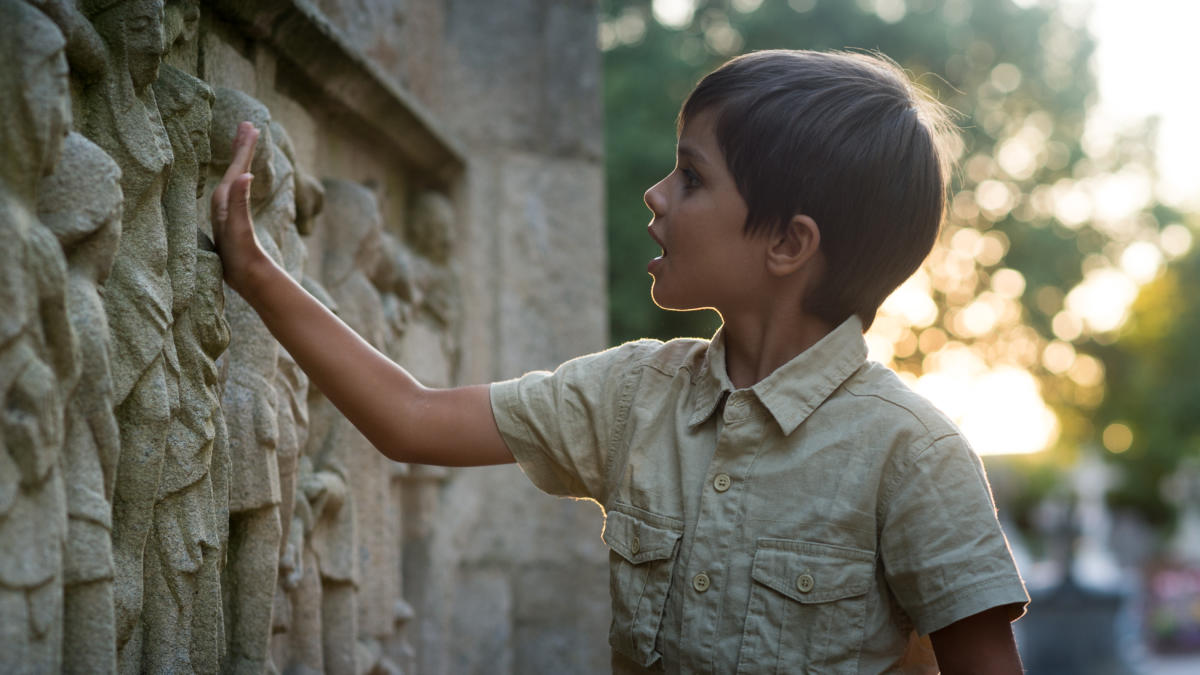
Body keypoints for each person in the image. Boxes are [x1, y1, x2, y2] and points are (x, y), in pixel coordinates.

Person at [210, 49, 1029, 673]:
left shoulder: (913, 453)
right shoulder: (634, 393)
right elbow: (411, 417)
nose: (657, 194)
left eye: (692, 176)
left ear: (788, 241)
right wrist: (255, 273)